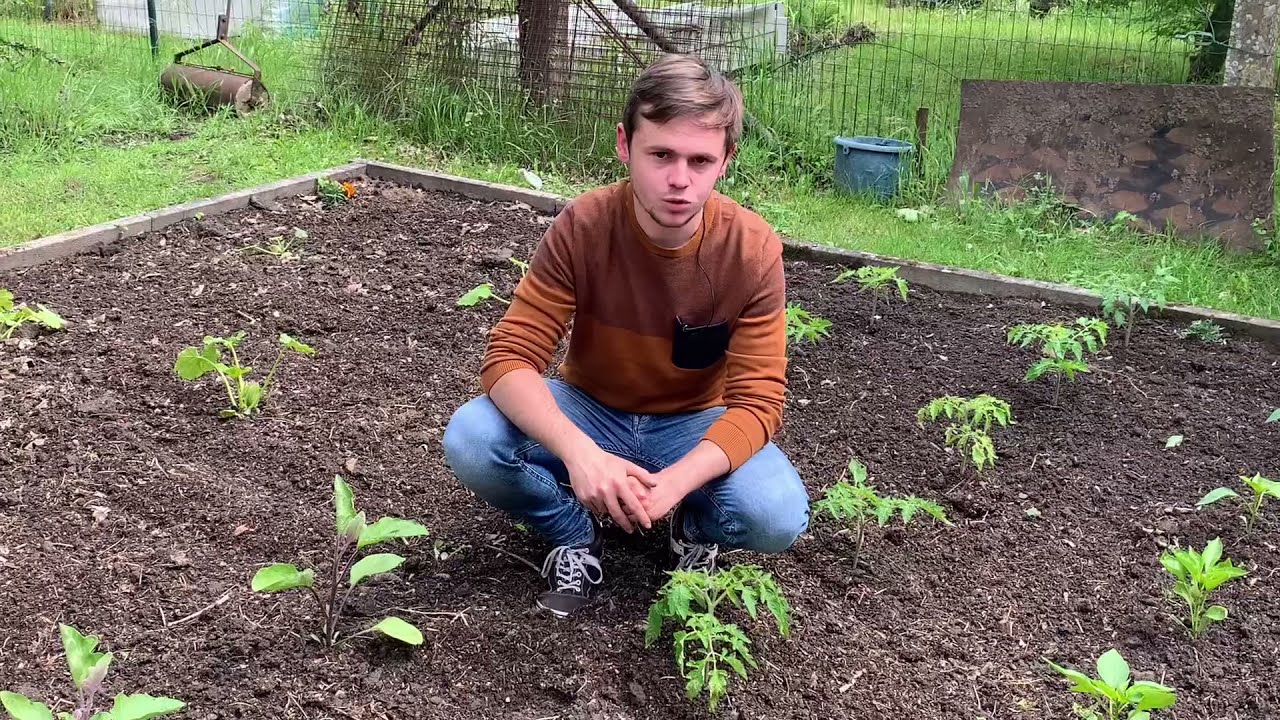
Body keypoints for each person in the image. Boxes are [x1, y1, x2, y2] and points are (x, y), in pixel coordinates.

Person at [442, 53, 809, 618]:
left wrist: (676, 483)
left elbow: (759, 401)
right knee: (472, 438)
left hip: (690, 423)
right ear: (624, 145)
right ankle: (573, 531)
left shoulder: (751, 249)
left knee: (775, 512)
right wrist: (581, 453)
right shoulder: (584, 225)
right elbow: (510, 357)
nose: (679, 180)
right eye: (661, 154)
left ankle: (692, 529)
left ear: (725, 162)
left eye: (700, 160)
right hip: (590, 407)